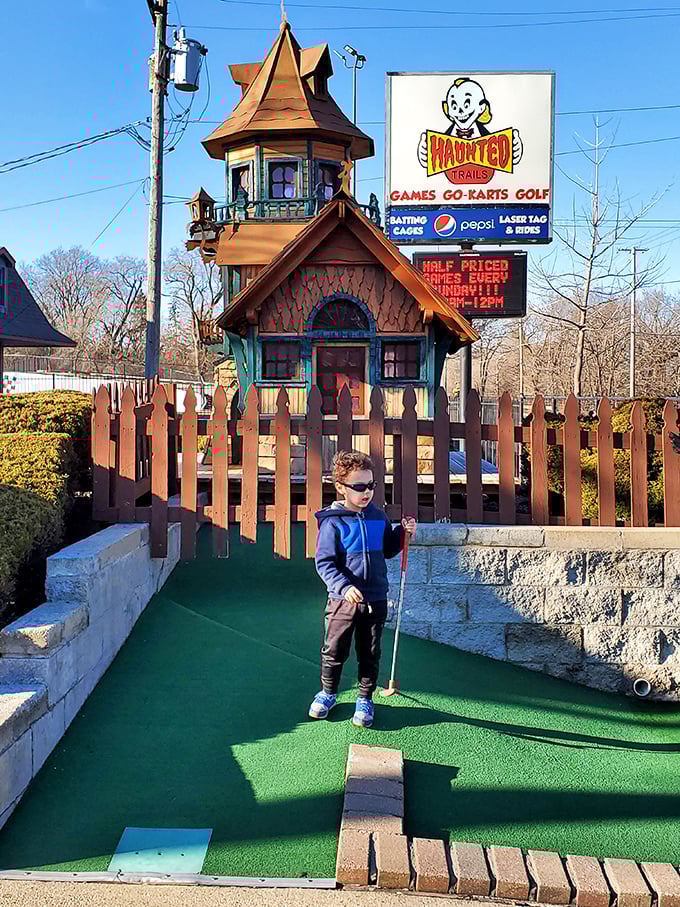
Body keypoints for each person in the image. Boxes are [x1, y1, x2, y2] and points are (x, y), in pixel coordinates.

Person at [309, 450, 417, 728]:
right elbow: (325, 563)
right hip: (342, 601)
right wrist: (343, 587)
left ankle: (365, 698)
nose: (366, 492)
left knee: (370, 651)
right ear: (341, 487)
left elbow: (389, 549)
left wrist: (403, 534)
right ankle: (328, 693)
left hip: (375, 598)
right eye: (359, 487)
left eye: (371, 485)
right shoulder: (333, 522)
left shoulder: (377, 517)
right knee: (334, 649)